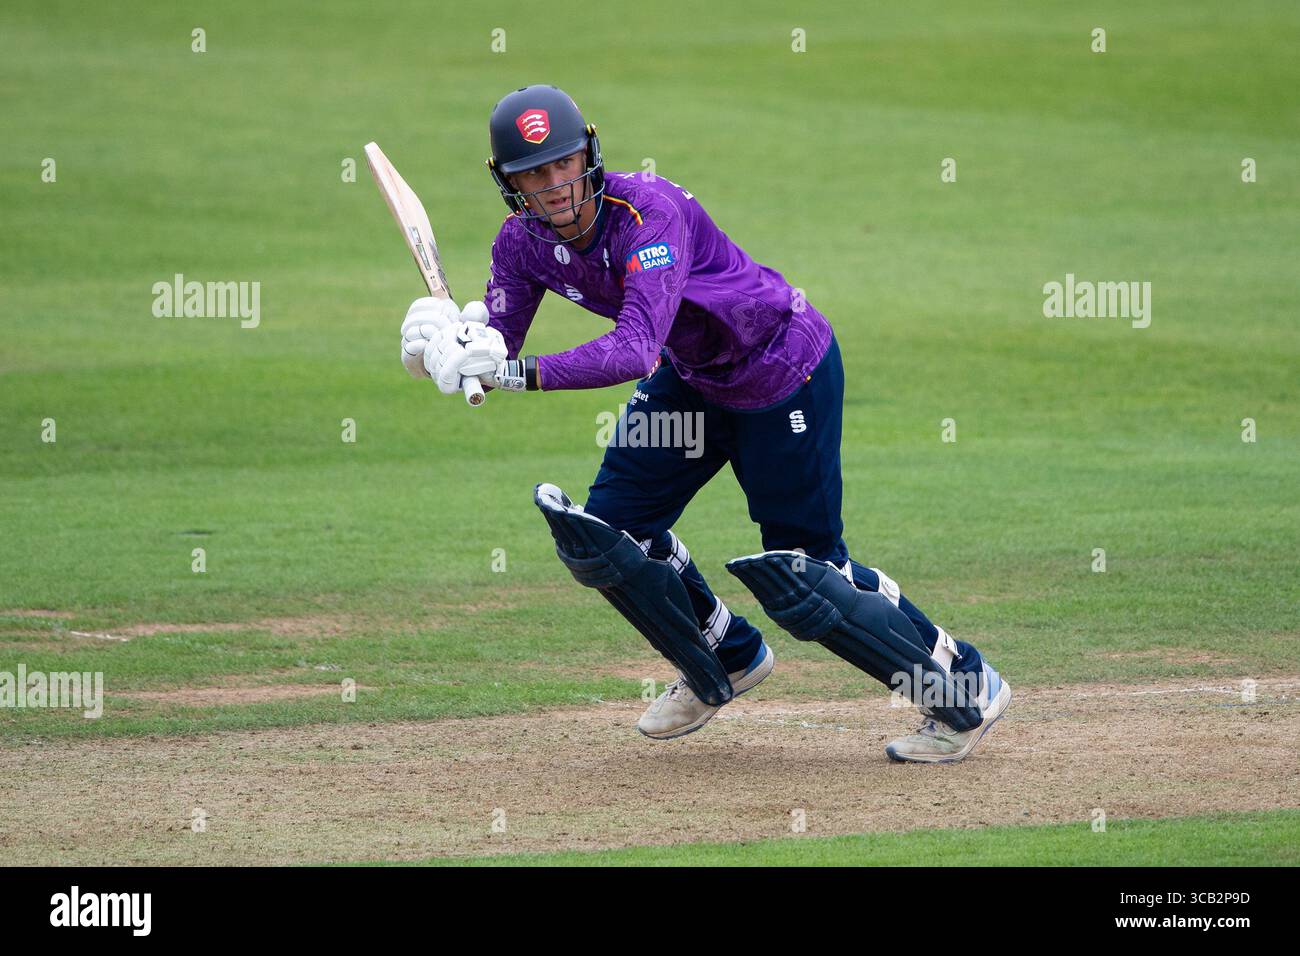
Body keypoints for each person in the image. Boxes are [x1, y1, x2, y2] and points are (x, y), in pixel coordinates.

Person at [399, 85, 1011, 762]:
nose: (554, 186)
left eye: (564, 165)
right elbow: (496, 346)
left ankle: (963, 686)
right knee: (605, 536)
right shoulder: (520, 245)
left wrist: (513, 373)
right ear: (508, 182)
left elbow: (632, 349)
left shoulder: (649, 211)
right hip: (694, 378)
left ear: (589, 157)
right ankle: (726, 655)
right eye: (534, 174)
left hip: (781, 370)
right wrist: (443, 347)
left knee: (806, 578)